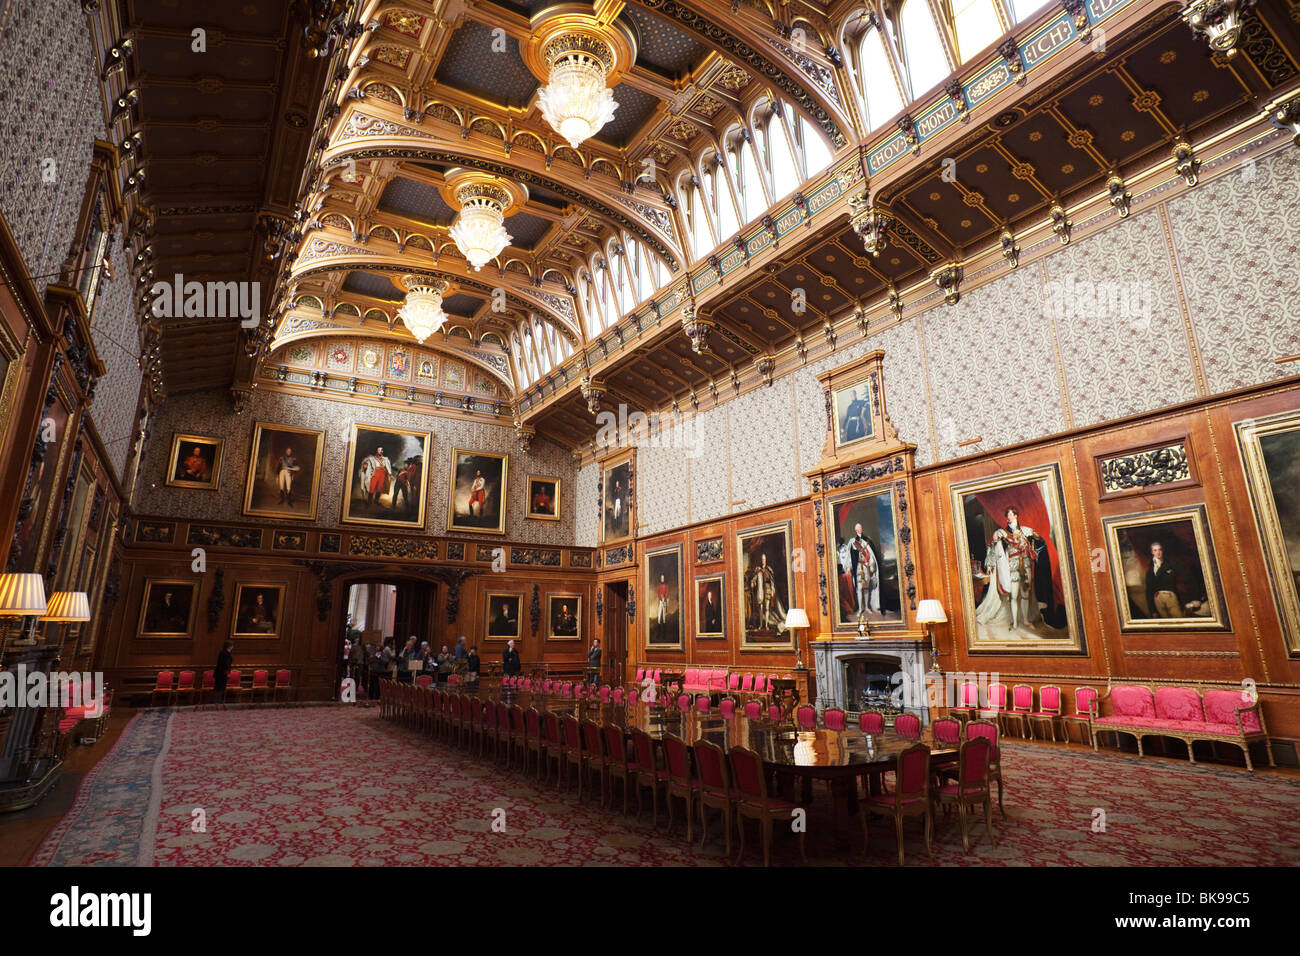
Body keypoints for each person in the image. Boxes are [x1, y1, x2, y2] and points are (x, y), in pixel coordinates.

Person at [975, 507, 1050, 632]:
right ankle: (1015, 623)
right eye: (1007, 515)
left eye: (1011, 514)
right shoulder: (1001, 533)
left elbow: (1040, 544)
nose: (1009, 517)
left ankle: (1025, 621)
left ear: (1016, 516)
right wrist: (989, 565)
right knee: (1014, 596)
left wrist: (1036, 555)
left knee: (1025, 595)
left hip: (1026, 566)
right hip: (1012, 567)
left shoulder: (1026, 531)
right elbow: (993, 549)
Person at [838, 522, 881, 619]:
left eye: (860, 528)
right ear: (856, 530)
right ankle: (861, 609)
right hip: (858, 568)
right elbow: (850, 557)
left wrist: (872, 565)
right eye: (858, 528)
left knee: (867, 588)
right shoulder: (853, 542)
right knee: (859, 589)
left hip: (866, 568)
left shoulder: (867, 540)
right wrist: (849, 567)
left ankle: (867, 607)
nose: (859, 530)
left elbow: (871, 556)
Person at [214, 640, 234, 706]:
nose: (232, 647)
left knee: (217, 686)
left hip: (218, 672)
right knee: (221, 686)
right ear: (230, 646)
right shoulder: (227, 654)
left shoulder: (221, 652)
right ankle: (218, 700)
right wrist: (228, 673)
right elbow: (226, 665)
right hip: (223, 673)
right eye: (232, 646)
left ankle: (216, 700)